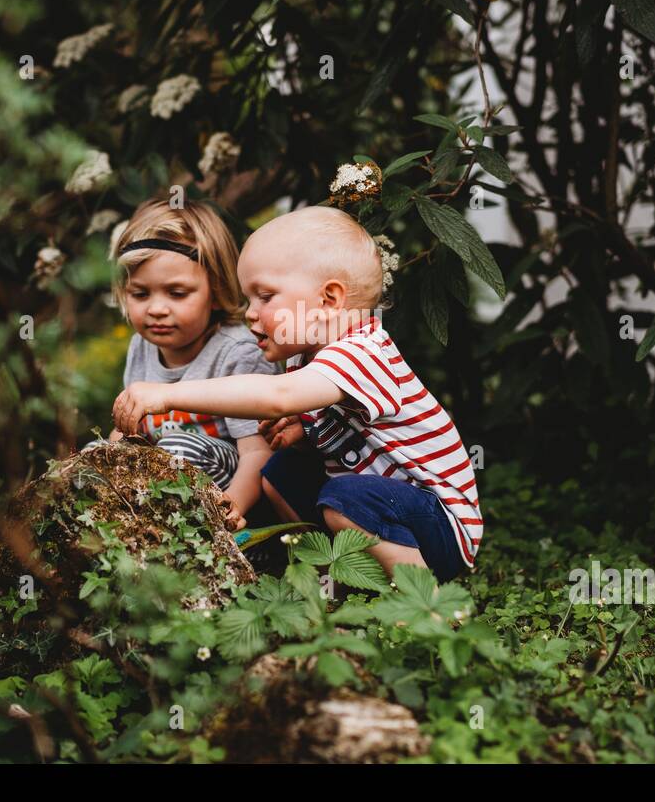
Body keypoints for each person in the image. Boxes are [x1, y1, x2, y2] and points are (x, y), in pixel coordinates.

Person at [112, 206, 482, 581]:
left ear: (329, 300)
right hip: (383, 508)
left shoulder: (363, 351)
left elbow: (278, 395)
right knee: (279, 473)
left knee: (347, 498)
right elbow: (345, 438)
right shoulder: (305, 356)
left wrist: (167, 395)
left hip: (440, 527)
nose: (250, 314)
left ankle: (423, 601)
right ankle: (332, 576)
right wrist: (303, 436)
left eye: (265, 297)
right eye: (249, 299)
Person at [89, 197, 277, 529]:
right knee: (95, 455)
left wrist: (231, 508)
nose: (156, 309)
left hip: (233, 499)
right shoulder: (142, 346)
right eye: (140, 294)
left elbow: (257, 454)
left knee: (177, 448)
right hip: (166, 488)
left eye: (176, 293)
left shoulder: (237, 352)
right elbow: (128, 432)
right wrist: (101, 461)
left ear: (216, 290)